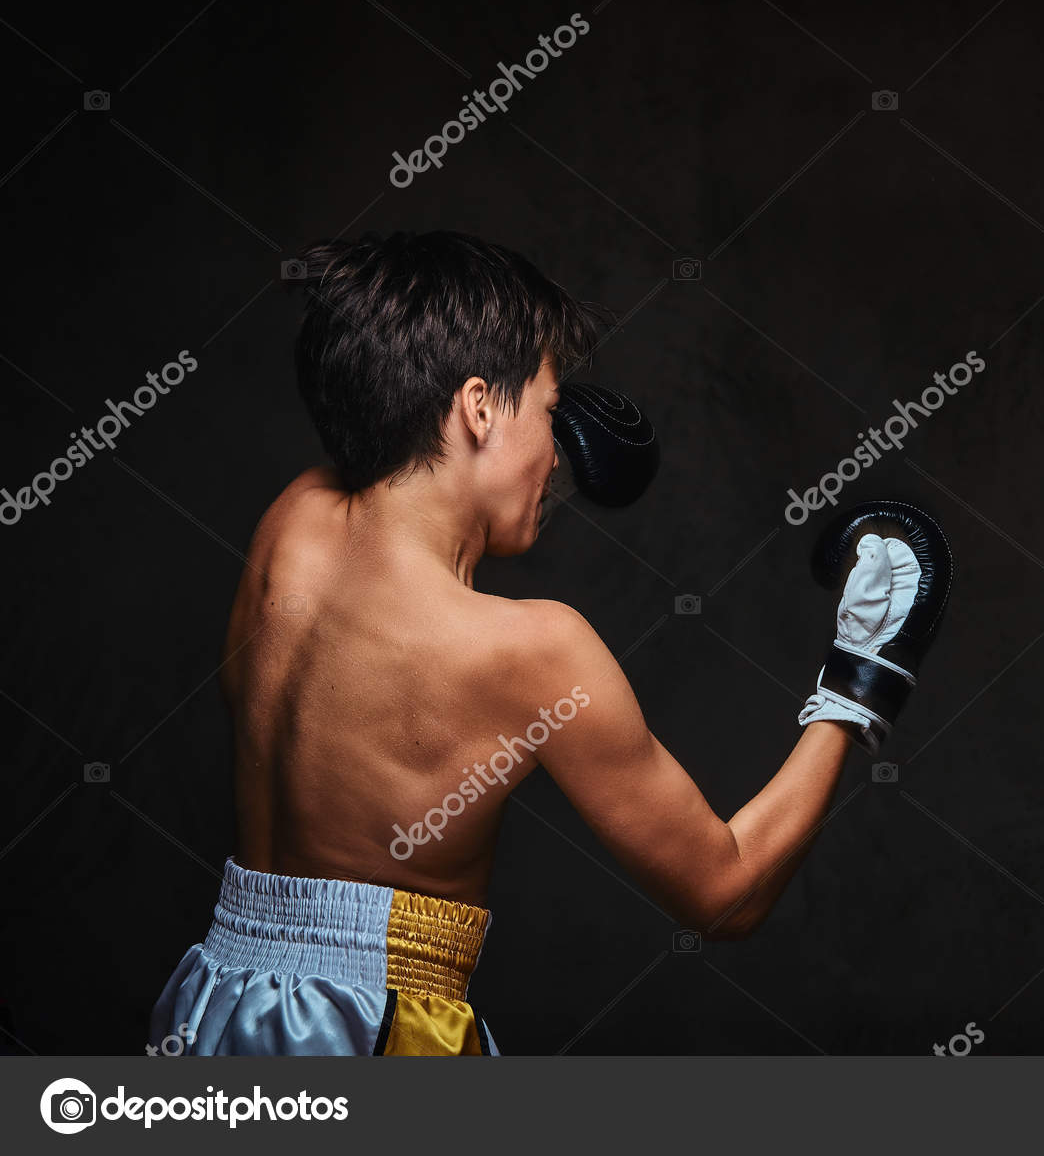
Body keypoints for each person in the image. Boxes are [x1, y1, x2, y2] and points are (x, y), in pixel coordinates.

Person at [149, 230, 950, 1055]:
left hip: (214, 1000)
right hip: (373, 1032)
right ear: (479, 406)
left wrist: (528, 409)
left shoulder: (291, 524)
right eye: (550, 408)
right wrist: (862, 680)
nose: (563, 454)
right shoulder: (532, 650)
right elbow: (726, 891)